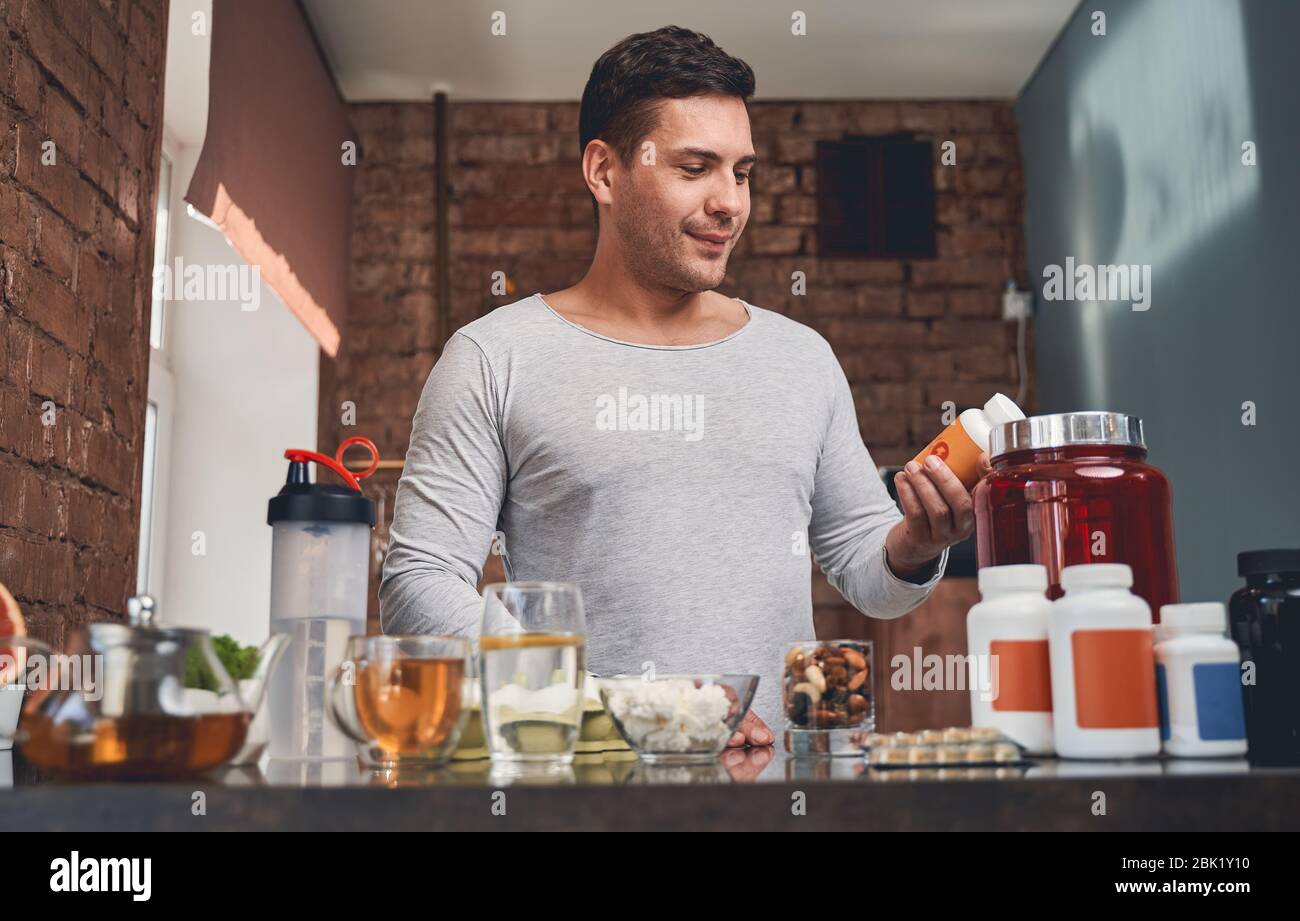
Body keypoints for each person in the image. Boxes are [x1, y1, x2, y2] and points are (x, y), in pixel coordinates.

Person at [380, 25, 984, 746]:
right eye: (695, 167)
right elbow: (419, 584)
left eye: (742, 172)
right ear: (604, 172)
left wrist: (914, 545)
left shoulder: (801, 359)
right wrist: (627, 712)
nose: (730, 201)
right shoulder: (494, 357)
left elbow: (863, 567)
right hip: (588, 788)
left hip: (776, 787)